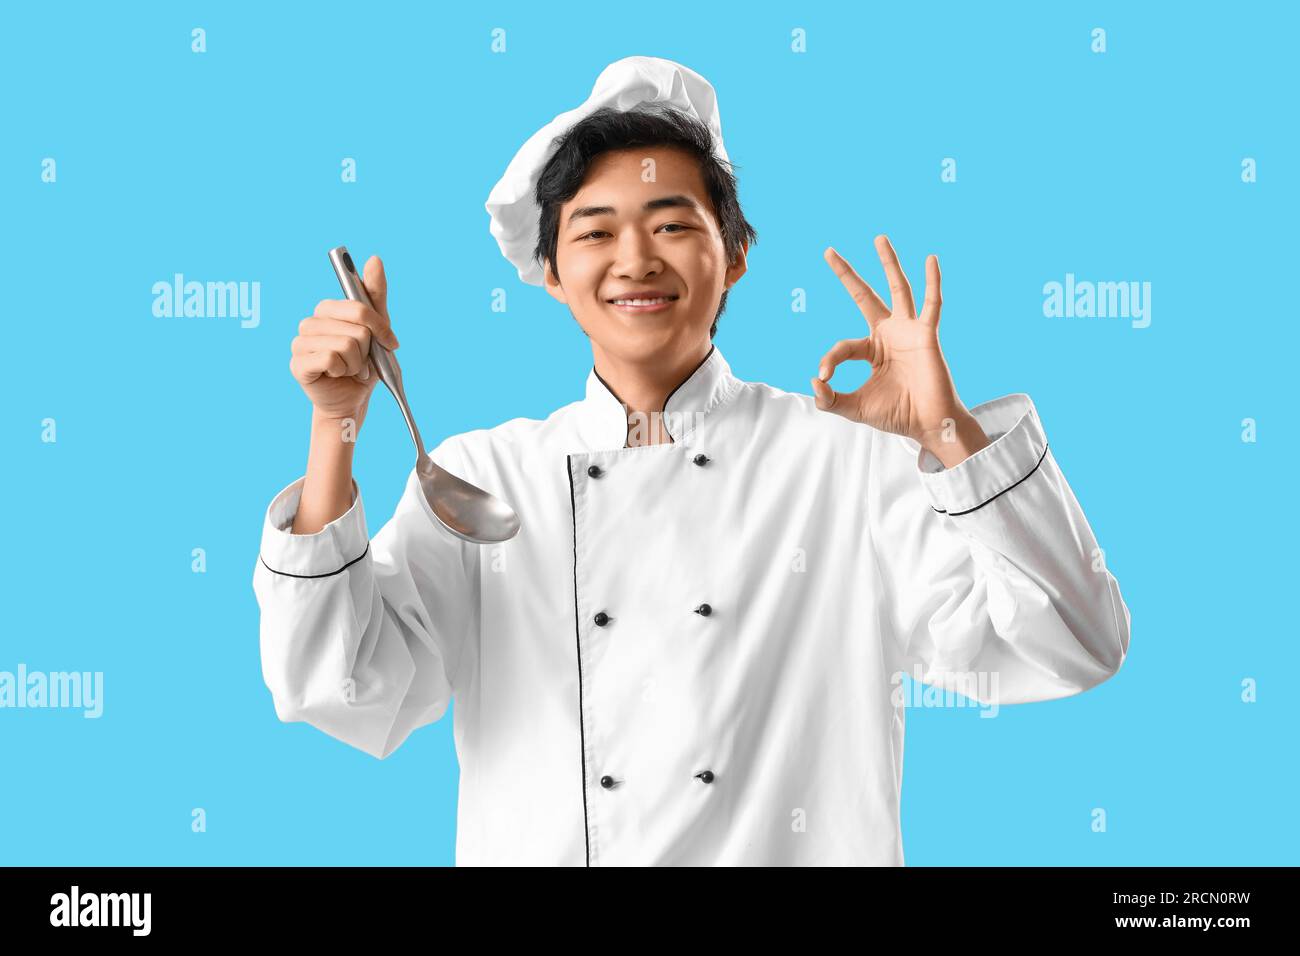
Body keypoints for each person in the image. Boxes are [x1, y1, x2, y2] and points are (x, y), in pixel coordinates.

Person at [252, 57, 1131, 866]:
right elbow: (345, 688)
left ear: (736, 256)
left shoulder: (847, 461)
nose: (635, 259)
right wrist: (338, 426)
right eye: (594, 233)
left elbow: (1071, 645)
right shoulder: (482, 474)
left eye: (672, 224)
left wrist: (948, 435)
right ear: (551, 271)